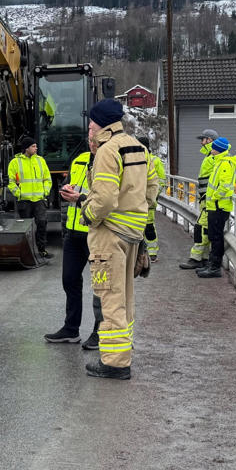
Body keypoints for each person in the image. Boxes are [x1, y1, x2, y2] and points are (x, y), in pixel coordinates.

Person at [80, 100, 159, 380]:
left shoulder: (108, 150)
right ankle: (123, 351)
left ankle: (115, 363)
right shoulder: (138, 147)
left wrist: (87, 214)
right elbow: (153, 189)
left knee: (110, 298)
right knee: (125, 297)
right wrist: (137, 210)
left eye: (91, 122)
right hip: (132, 233)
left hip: (110, 234)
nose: (89, 127)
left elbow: (104, 199)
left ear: (101, 123)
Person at [44, 137, 102, 350]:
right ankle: (71, 329)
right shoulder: (79, 160)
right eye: (90, 136)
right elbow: (71, 186)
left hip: (97, 232)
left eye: (95, 137)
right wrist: (66, 189)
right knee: (69, 280)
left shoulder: (110, 161)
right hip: (74, 231)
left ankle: (100, 332)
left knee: (101, 286)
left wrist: (79, 197)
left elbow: (106, 199)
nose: (92, 141)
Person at [196, 137, 236, 278]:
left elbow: (225, 187)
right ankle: (211, 264)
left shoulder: (225, 163)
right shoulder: (219, 162)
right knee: (213, 236)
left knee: (216, 237)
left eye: (214, 147)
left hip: (218, 206)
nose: (211, 149)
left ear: (219, 149)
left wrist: (214, 197)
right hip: (215, 206)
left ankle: (214, 267)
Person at [178, 129, 219, 270]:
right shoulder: (210, 156)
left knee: (201, 228)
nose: (201, 142)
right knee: (203, 228)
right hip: (205, 199)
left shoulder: (214, 158)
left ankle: (196, 258)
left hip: (210, 200)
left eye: (203, 139)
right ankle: (203, 258)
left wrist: (209, 198)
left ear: (210, 140)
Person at [7, 137, 53, 259]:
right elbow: (11, 182)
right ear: (26, 148)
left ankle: (42, 250)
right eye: (33, 146)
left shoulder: (40, 160)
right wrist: (19, 194)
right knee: (25, 228)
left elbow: (47, 179)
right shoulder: (15, 162)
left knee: (42, 223)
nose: (36, 148)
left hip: (39, 199)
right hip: (24, 200)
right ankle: (26, 253)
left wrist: (45, 192)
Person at [137, 136, 166, 262]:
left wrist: (153, 194)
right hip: (136, 200)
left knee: (148, 226)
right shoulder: (134, 160)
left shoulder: (155, 160)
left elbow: (162, 179)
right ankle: (139, 253)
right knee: (137, 226)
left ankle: (152, 252)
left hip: (148, 201)